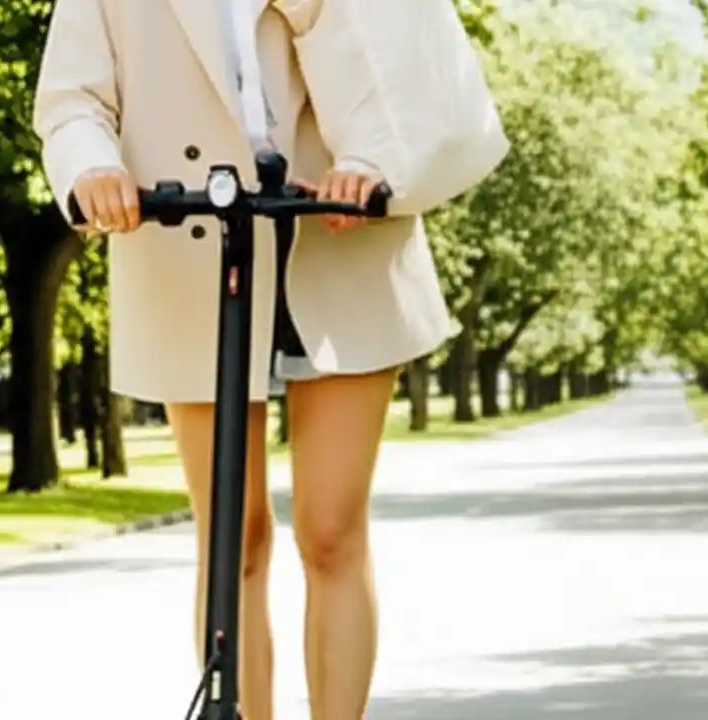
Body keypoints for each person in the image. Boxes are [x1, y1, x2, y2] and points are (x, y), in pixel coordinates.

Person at [32, 1, 471, 717]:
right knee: (233, 537)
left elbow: (401, 59)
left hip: (335, 229)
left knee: (331, 532)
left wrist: (373, 158)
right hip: (190, 234)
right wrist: (91, 168)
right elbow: (71, 96)